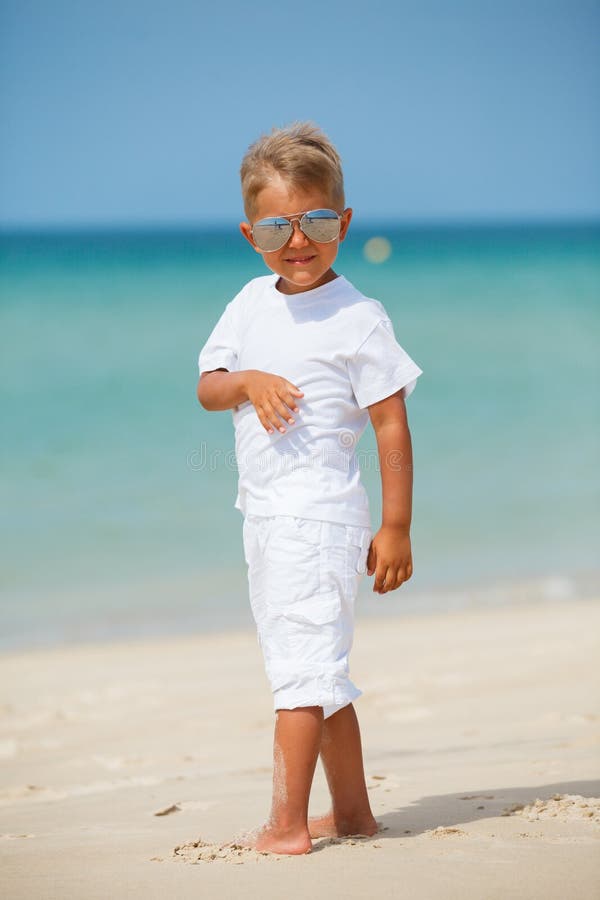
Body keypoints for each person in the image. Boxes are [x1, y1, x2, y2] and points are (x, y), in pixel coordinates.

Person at [196, 122, 423, 855]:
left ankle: (286, 825)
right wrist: (248, 383)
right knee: (318, 666)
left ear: (344, 222)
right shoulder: (249, 304)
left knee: (298, 674)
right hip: (263, 514)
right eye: (276, 228)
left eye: (317, 221)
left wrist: (396, 526)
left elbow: (390, 422)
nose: (298, 241)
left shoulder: (358, 317)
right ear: (249, 233)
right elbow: (207, 388)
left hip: (318, 517)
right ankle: (352, 814)